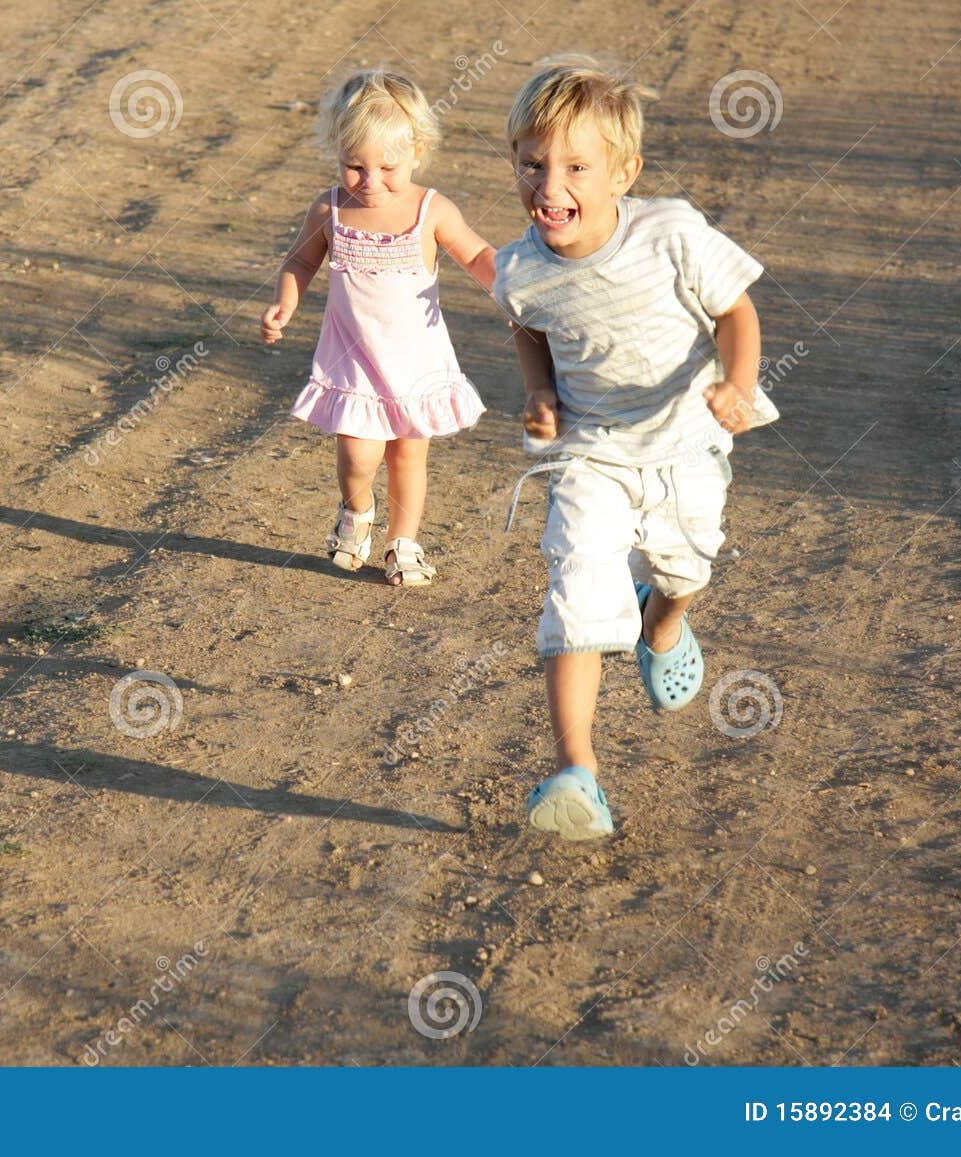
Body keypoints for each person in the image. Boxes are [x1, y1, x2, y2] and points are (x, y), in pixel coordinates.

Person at [492, 55, 774, 839]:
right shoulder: (519, 268)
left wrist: (738, 385)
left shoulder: (671, 233)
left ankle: (661, 623)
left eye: (576, 167)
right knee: (577, 585)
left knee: (691, 562)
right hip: (592, 452)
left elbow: (736, 312)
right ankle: (574, 768)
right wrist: (538, 389)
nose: (551, 187)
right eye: (532, 164)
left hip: (687, 437)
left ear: (624, 173)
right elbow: (526, 323)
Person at [263, 69, 494, 586]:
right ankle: (357, 509)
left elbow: (477, 254)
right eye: (354, 167)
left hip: (416, 364)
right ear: (337, 154)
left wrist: (510, 286)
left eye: (387, 167)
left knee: (409, 455)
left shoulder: (431, 210)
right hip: (353, 362)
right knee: (358, 455)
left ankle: (402, 544)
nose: (369, 182)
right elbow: (299, 263)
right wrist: (284, 303)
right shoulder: (330, 209)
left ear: (417, 152)